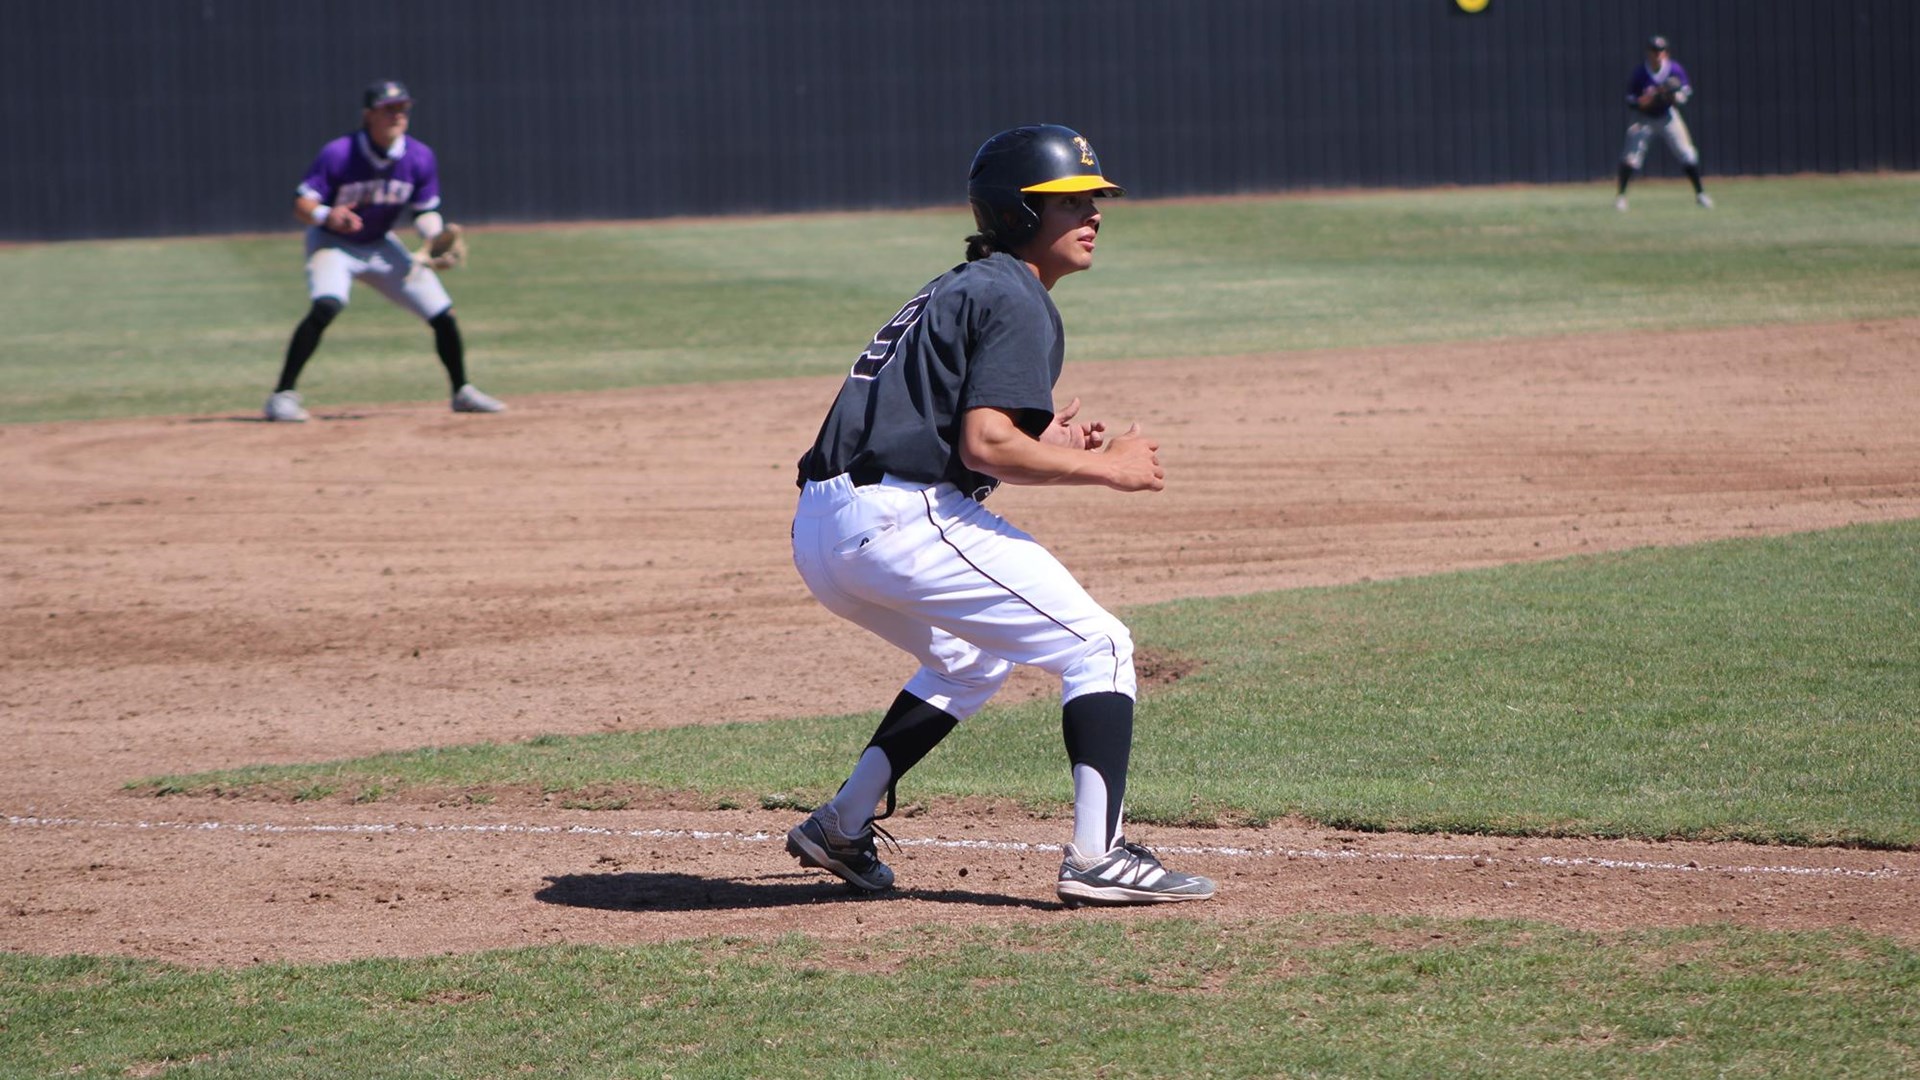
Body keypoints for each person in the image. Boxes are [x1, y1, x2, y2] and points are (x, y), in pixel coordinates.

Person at [783, 125, 1216, 907]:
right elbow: (986, 446)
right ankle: (1098, 856)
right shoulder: (1016, 295)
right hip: (896, 521)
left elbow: (959, 430)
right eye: (1070, 200)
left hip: (825, 528)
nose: (1093, 212)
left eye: (1094, 198)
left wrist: (1043, 440)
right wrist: (1105, 467)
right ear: (1021, 212)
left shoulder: (965, 284)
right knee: (1100, 646)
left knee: (969, 659)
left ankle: (840, 826)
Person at [265, 79, 504, 422]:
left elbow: (424, 210)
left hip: (379, 244)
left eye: (402, 108)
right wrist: (327, 216)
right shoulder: (340, 153)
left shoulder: (419, 157)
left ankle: (462, 391)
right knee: (327, 305)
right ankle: (281, 397)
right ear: (368, 115)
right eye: (387, 108)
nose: (397, 115)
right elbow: (300, 203)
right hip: (333, 243)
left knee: (442, 314)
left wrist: (434, 240)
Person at [1615, 35, 1713, 211]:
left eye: (1661, 51)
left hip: (1667, 116)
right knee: (1630, 158)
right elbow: (1631, 101)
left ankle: (1700, 194)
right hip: (1643, 118)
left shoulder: (1674, 69)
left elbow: (1684, 94)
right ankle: (1621, 197)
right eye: (1654, 51)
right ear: (1648, 53)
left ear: (1666, 53)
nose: (1658, 54)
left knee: (1687, 153)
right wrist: (1645, 100)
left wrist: (1673, 95)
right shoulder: (1640, 73)